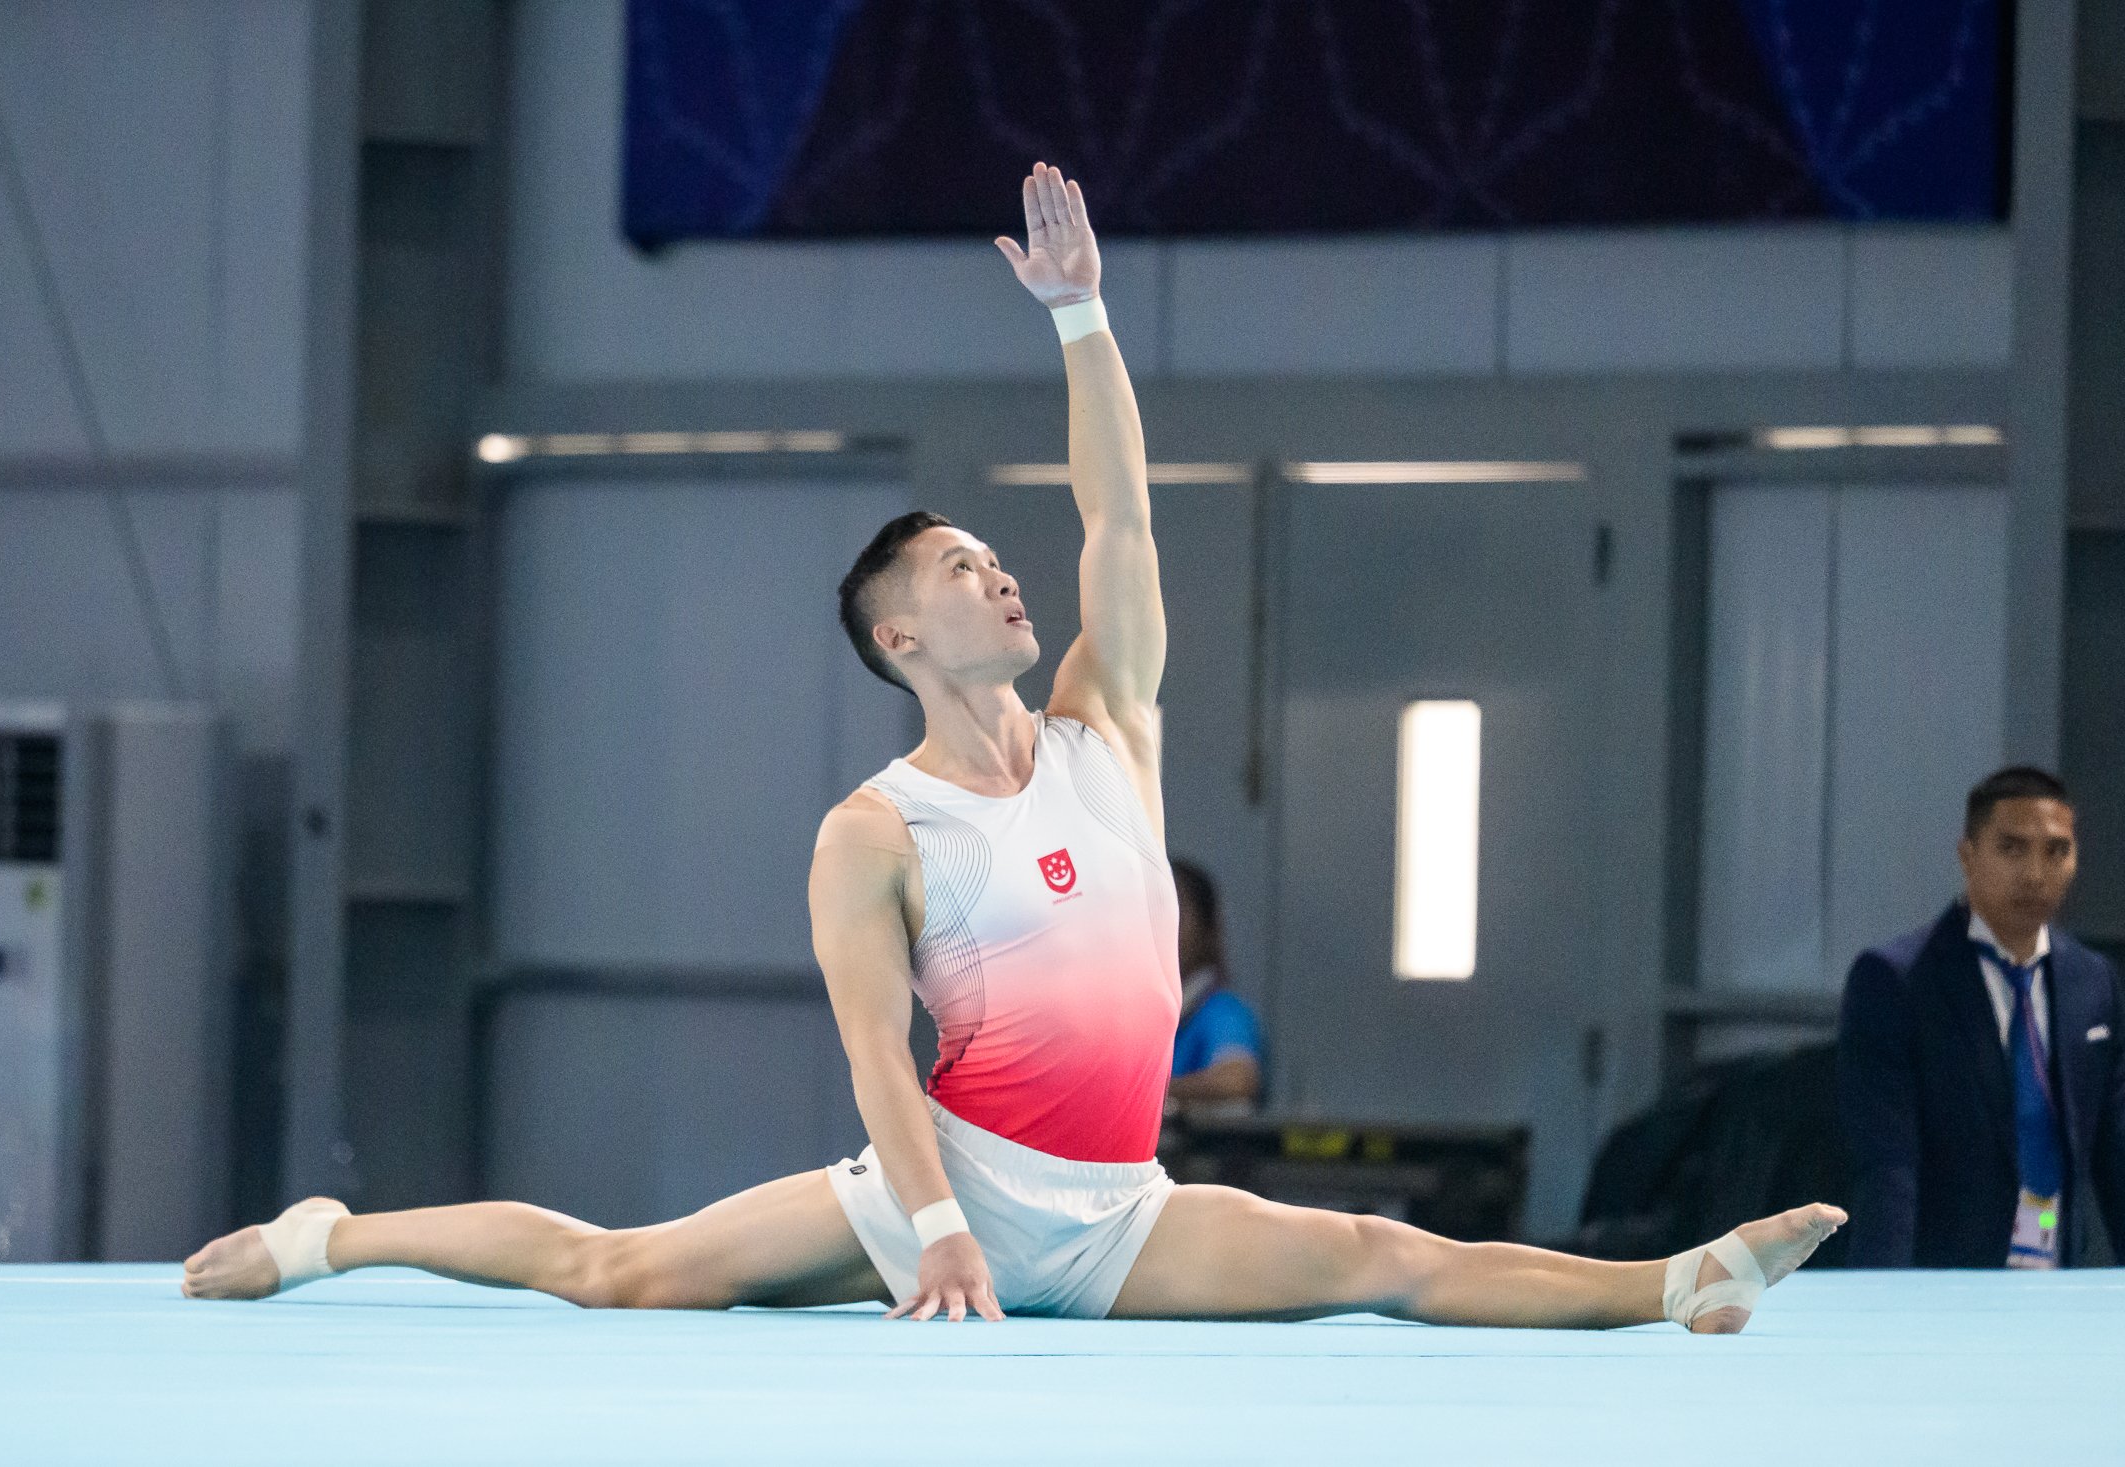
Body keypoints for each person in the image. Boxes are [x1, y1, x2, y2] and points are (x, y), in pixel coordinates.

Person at [186, 164, 1841, 1332]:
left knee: (1379, 1254)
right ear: (900, 636)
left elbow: (1118, 510)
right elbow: (877, 1066)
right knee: (621, 1271)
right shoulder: (873, 831)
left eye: (1001, 555)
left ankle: (1677, 1281)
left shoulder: (1110, 726)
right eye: (966, 568)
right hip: (947, 1179)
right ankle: (334, 1234)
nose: (1005, 571)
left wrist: (1083, 320)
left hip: (1119, 1202)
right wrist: (934, 1233)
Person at [1840, 766, 2125, 1268]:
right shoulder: (1899, 979)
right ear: (1968, 855)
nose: (2035, 874)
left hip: (2058, 1265)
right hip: (1947, 1276)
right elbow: (1888, 1165)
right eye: (2012, 848)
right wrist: (1880, 1302)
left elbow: (2115, 1150)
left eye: (2056, 851)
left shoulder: (2092, 981)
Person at [1166, 857, 1264, 1108]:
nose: (1162, 927)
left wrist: (1144, 1093)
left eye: (1175, 913)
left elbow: (1238, 1079)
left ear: (1206, 928)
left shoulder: (1222, 1012)